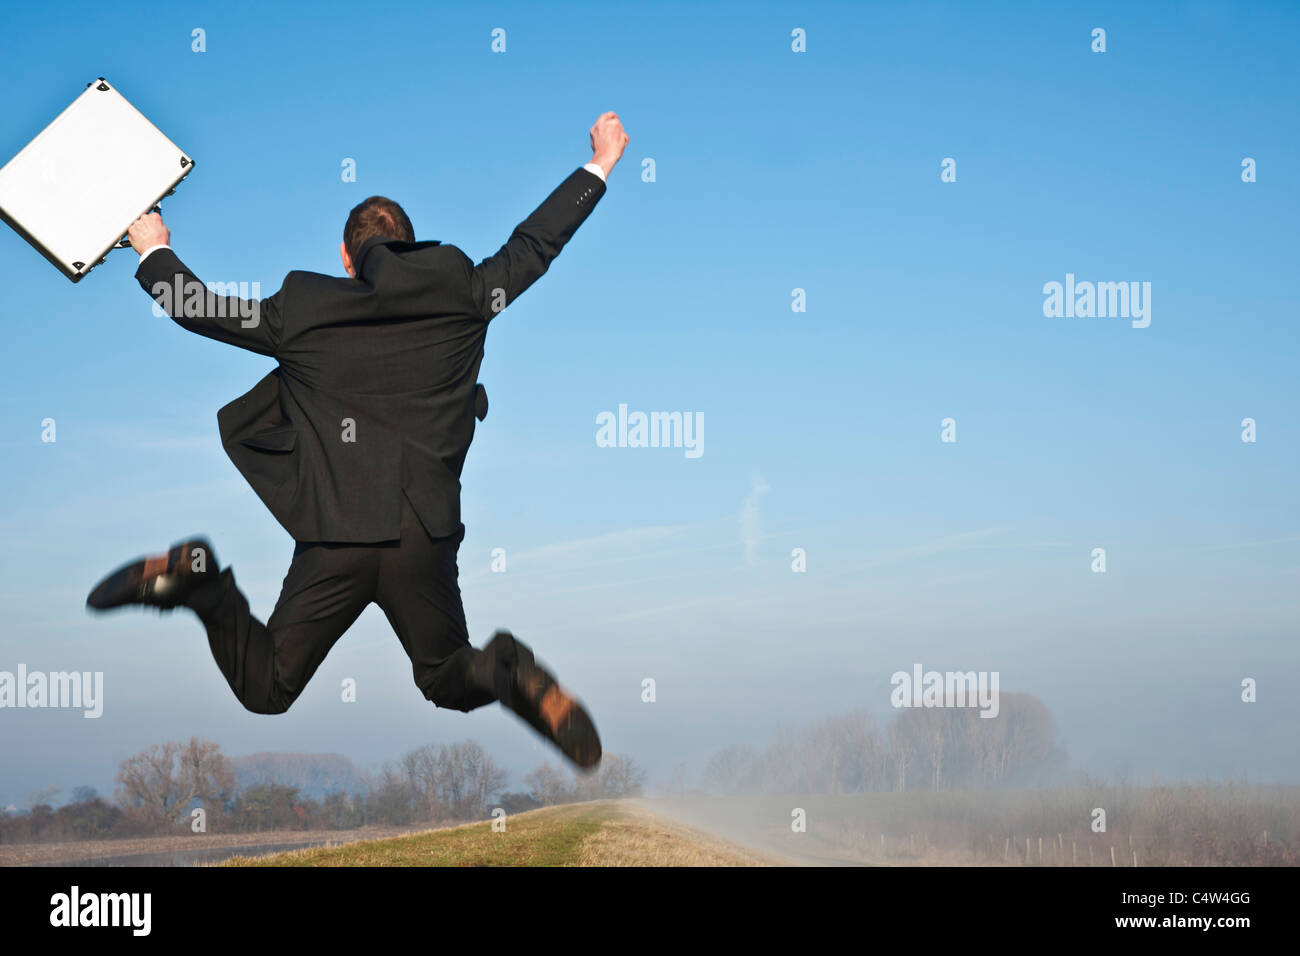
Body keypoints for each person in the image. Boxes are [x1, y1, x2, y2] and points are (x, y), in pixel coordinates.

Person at [86, 111, 630, 769]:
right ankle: (510, 672)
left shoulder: (305, 309)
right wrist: (600, 163)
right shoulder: (463, 291)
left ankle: (200, 583)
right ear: (410, 242)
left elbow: (194, 306)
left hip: (336, 537)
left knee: (267, 688)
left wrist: (152, 243)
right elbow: (535, 244)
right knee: (451, 676)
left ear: (348, 259)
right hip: (420, 538)